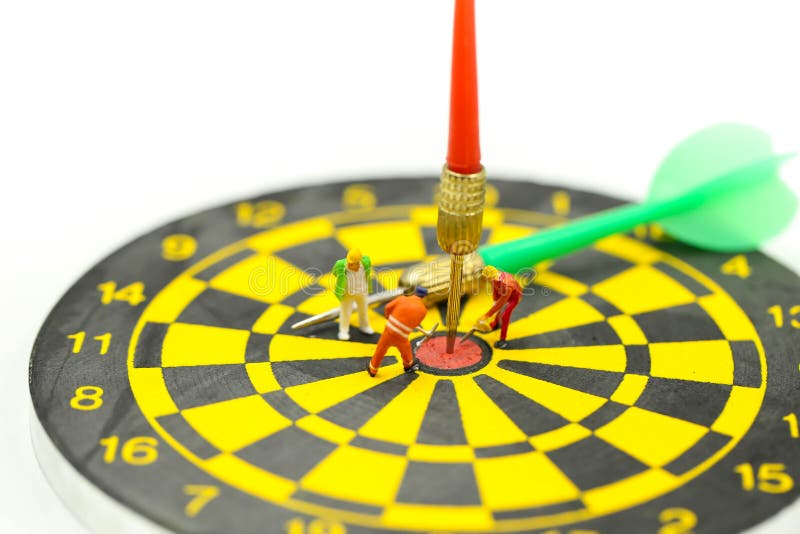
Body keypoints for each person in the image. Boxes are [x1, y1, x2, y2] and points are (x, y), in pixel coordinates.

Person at [368, 287, 431, 377]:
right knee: (406, 350)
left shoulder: (403, 298)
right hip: (402, 335)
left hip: (389, 330)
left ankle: (373, 370)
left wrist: (388, 317)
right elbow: (414, 324)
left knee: (380, 349)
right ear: (424, 297)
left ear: (414, 293)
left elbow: (387, 307)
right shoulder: (423, 311)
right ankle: (408, 365)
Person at [332, 248, 374, 340]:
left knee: (363, 310)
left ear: (359, 262)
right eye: (349, 263)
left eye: (353, 263)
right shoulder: (341, 265)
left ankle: (364, 326)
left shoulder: (365, 263)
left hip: (362, 291)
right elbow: (334, 273)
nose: (350, 265)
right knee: (345, 312)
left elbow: (368, 273)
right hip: (348, 293)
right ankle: (343, 331)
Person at [476, 265, 522, 348]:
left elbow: (501, 303)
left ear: (490, 277)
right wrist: (495, 299)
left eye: (486, 278)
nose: (486, 280)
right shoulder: (493, 279)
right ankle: (495, 324)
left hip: (514, 298)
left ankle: (502, 340)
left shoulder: (507, 286)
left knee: (505, 316)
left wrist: (487, 315)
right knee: (497, 311)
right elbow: (495, 288)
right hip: (502, 294)